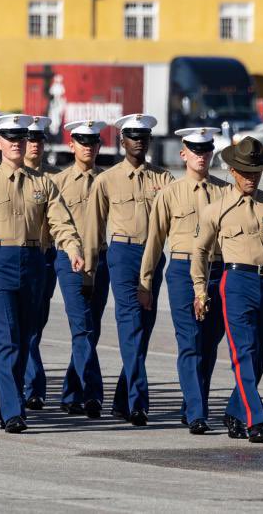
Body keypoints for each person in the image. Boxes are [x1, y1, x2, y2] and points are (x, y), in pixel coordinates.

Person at [0, 114, 83, 433]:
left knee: (25, 339)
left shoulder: (43, 184)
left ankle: (5, 400)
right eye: (9, 138)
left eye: (20, 137)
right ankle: (14, 410)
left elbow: (60, 223)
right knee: (4, 338)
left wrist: (73, 248)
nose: (16, 143)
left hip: (32, 263)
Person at [192, 137, 263, 443]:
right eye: (244, 172)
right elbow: (201, 253)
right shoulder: (216, 210)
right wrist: (200, 290)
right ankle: (255, 420)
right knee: (242, 353)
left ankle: (235, 410)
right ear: (231, 170)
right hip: (236, 284)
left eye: (256, 172)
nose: (250, 177)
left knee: (259, 354)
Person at [138, 127, 227, 435]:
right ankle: (198, 412)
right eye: (195, 150)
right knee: (189, 342)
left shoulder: (226, 192)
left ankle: (192, 403)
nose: (201, 156)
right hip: (182, 272)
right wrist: (145, 281)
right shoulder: (170, 193)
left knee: (209, 343)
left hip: (217, 271)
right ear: (183, 154)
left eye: (206, 150)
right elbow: (154, 240)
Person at [86, 114, 173, 426]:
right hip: (122, 253)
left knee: (144, 328)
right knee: (131, 325)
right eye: (132, 136)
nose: (139, 141)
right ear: (121, 141)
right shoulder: (106, 180)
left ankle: (122, 400)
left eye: (144, 136)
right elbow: (94, 230)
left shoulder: (163, 180)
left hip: (154, 255)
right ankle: (138, 402)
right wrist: (89, 271)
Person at [52, 120, 111, 418]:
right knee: (82, 326)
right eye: (82, 142)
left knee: (91, 330)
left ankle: (70, 393)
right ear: (71, 145)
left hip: (101, 259)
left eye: (93, 142)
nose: (88, 147)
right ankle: (92, 394)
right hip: (70, 260)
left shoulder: (108, 180)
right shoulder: (58, 182)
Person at [22, 116, 61, 410]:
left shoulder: (54, 179)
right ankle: (32, 383)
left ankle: (30, 382)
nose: (34, 144)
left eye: (39, 139)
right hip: (13, 257)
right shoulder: (12, 176)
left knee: (36, 324)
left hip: (45, 257)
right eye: (29, 139)